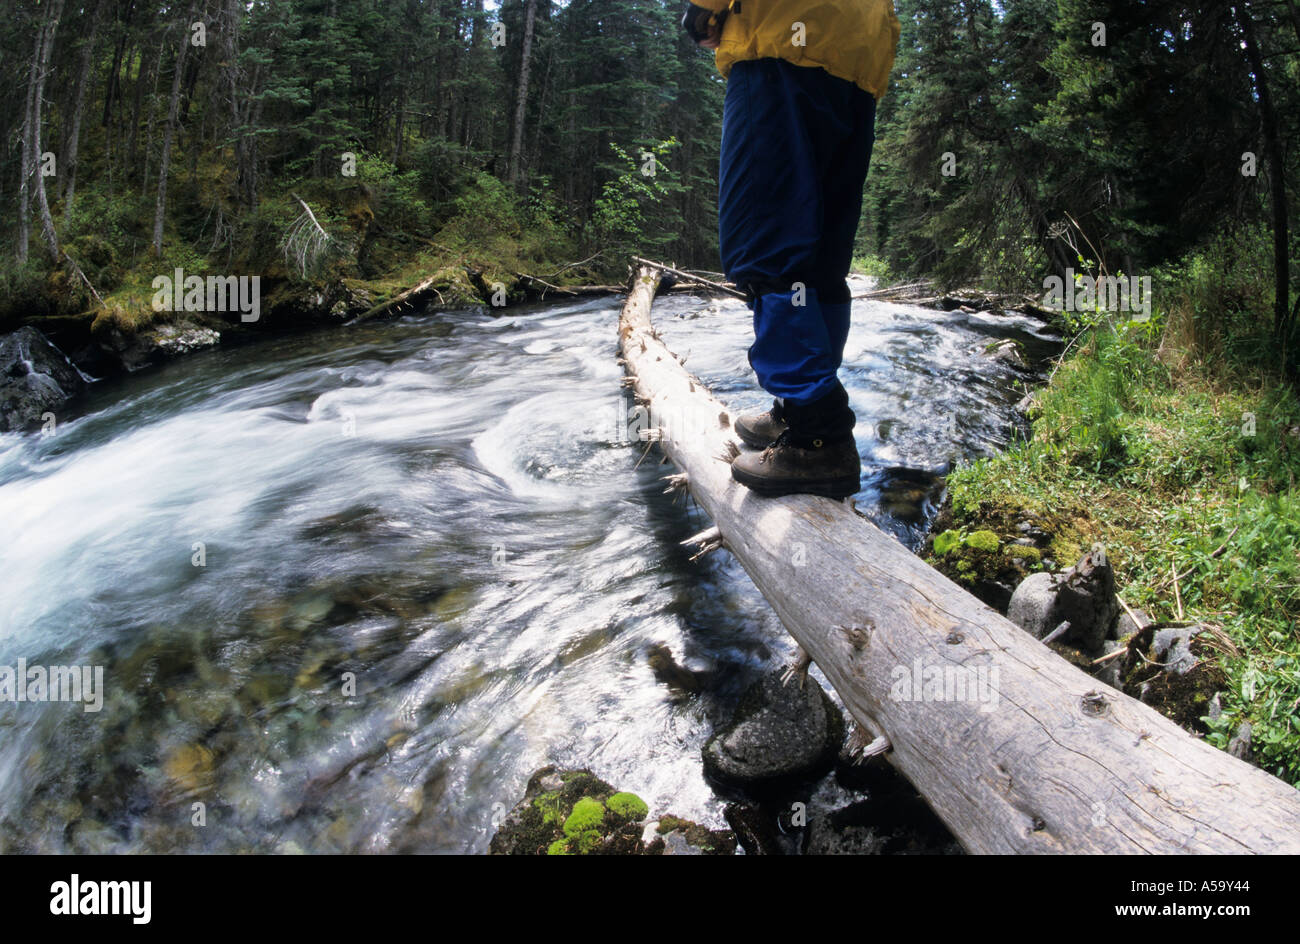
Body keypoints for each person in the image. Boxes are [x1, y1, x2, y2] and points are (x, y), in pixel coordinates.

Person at [683, 0, 900, 498]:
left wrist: (703, 9)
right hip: (859, 57)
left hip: (780, 40)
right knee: (821, 256)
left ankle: (816, 431)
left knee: (765, 247)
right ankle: (794, 408)